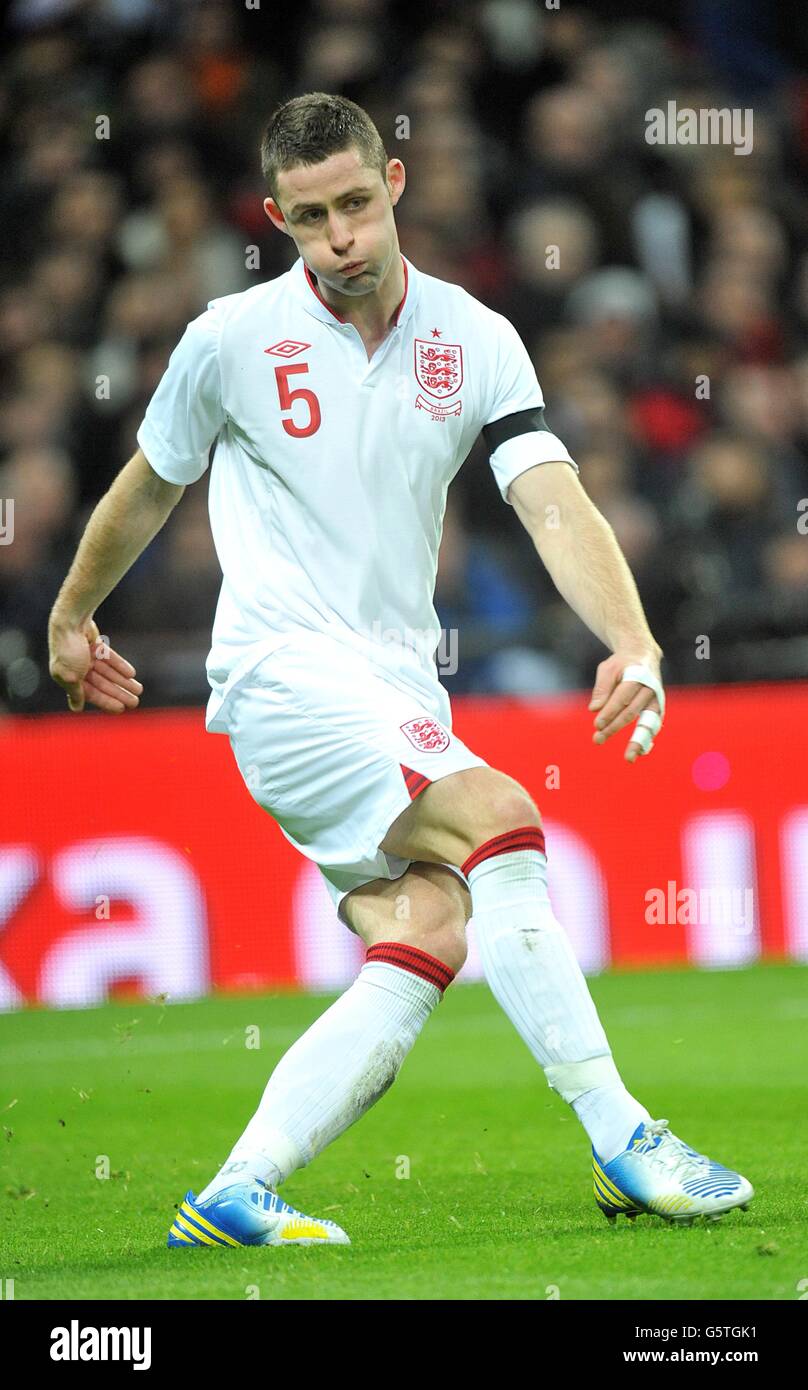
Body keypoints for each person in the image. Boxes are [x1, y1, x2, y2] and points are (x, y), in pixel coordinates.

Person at [48, 92, 753, 1248]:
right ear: (277, 216)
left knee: (426, 928)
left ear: (397, 187)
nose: (341, 238)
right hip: (284, 675)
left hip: (391, 688)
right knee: (502, 815)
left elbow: (549, 498)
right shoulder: (229, 338)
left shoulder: (475, 337)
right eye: (312, 216)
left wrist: (631, 639)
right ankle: (624, 1133)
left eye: (359, 206)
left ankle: (236, 1187)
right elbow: (149, 482)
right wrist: (73, 612)